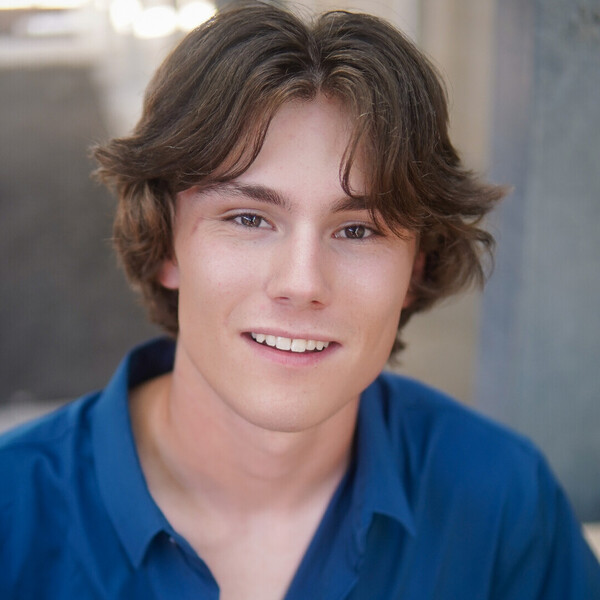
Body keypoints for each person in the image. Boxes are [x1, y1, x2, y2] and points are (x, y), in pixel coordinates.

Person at [1, 2, 599, 598]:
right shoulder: (14, 515)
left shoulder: (504, 506)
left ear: (415, 267)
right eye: (248, 218)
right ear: (165, 242)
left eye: (358, 230)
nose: (302, 282)